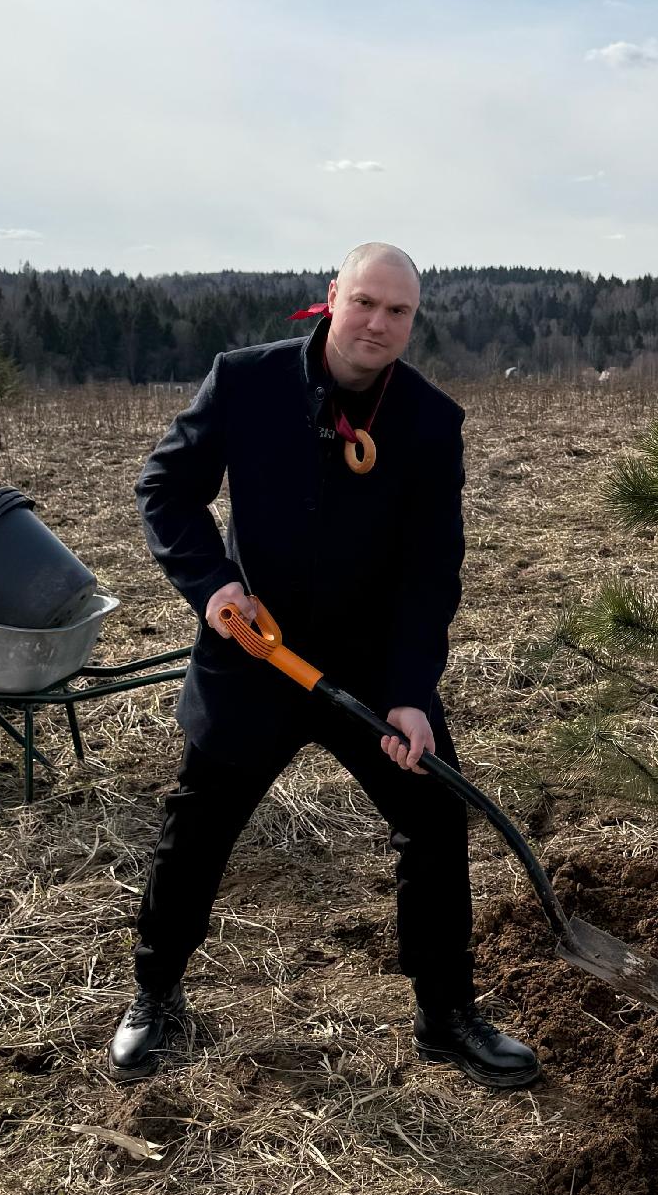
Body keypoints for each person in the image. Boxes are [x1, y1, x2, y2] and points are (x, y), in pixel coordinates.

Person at [109, 242, 540, 1091]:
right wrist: (213, 585)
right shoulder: (244, 381)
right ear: (331, 299)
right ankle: (153, 995)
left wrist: (412, 695)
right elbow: (165, 489)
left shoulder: (427, 420)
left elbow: (430, 573)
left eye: (399, 312)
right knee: (196, 828)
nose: (379, 324)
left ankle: (444, 1013)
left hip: (369, 668)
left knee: (433, 819)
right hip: (254, 652)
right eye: (367, 303)